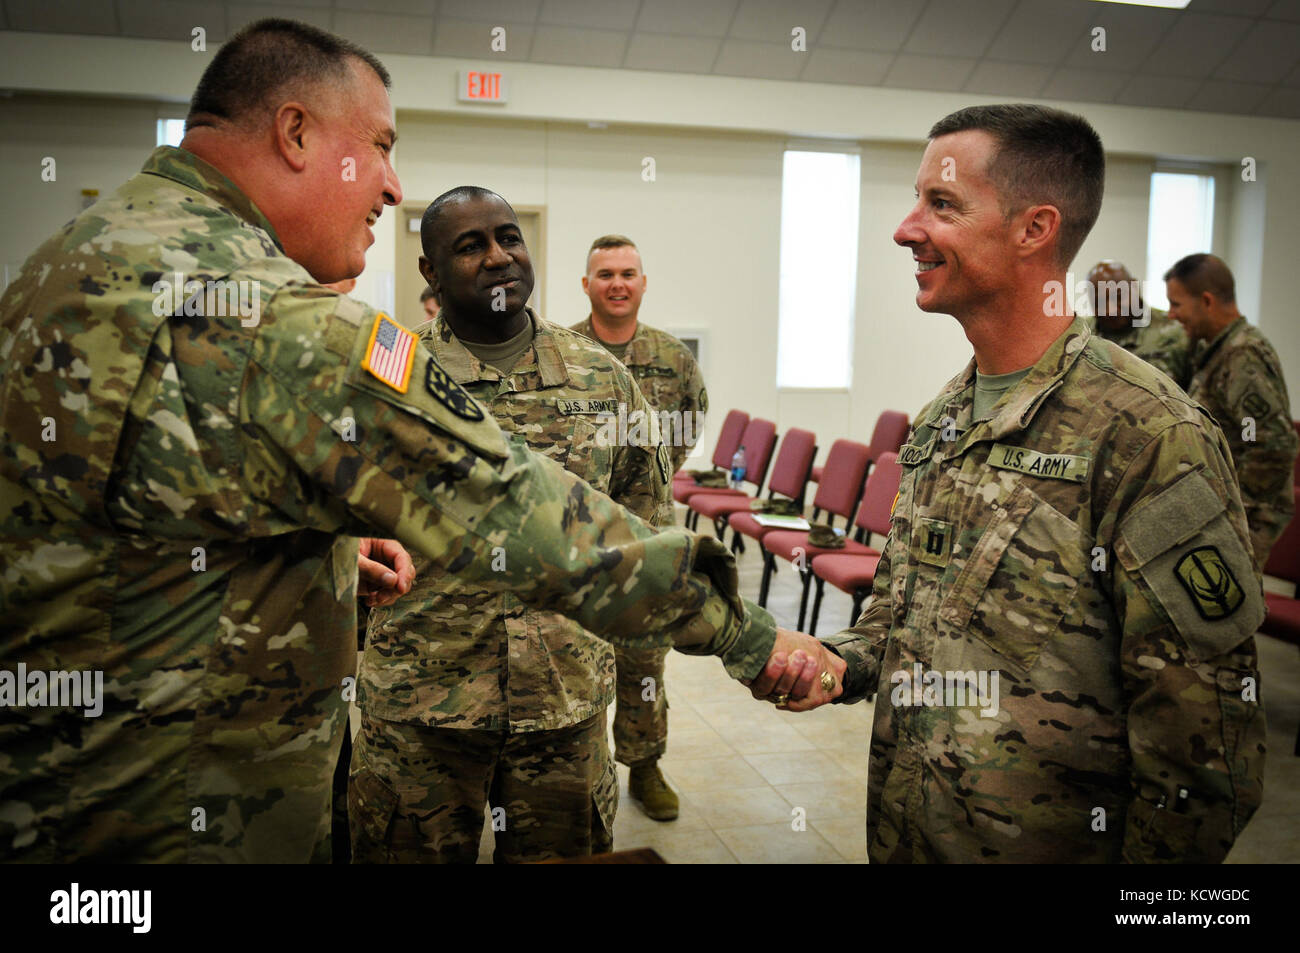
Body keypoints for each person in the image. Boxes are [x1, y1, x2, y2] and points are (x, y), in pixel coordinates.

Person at [0, 17, 840, 864]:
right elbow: (515, 506)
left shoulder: (62, 266)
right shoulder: (281, 323)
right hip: (188, 819)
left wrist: (317, 544)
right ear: (296, 133)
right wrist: (747, 636)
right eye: (380, 146)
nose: (394, 187)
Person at [753, 104, 1266, 864]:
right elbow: (895, 618)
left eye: (942, 204)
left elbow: (1204, 753)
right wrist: (837, 664)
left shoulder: (1149, 436)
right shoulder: (942, 421)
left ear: (1034, 229)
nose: (906, 229)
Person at [351, 187, 672, 862]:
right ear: (430, 273)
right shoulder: (387, 374)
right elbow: (328, 520)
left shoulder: (603, 381)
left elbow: (646, 534)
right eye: (470, 246)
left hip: (564, 703)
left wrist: (640, 691)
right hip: (422, 709)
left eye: (509, 237)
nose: (499, 257)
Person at [570, 235, 707, 820]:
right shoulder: (564, 352)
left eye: (628, 272)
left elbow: (691, 421)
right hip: (578, 536)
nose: (617, 283)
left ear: (643, 283)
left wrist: (646, 481)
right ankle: (576, 767)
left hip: (648, 537)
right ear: (587, 285)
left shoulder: (674, 359)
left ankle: (645, 765)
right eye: (605, 274)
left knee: (645, 656)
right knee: (572, 655)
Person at [1165, 253, 1297, 568]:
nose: (1171, 315)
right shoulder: (1215, 349)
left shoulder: (1242, 355)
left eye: (1177, 304)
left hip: (1242, 520)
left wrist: (1236, 510)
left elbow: (1272, 444)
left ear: (1207, 301)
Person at [1086, 259, 1191, 389]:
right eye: (1099, 301)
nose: (1110, 309)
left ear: (1134, 287)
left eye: (1118, 297)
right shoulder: (1081, 335)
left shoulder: (1176, 330)